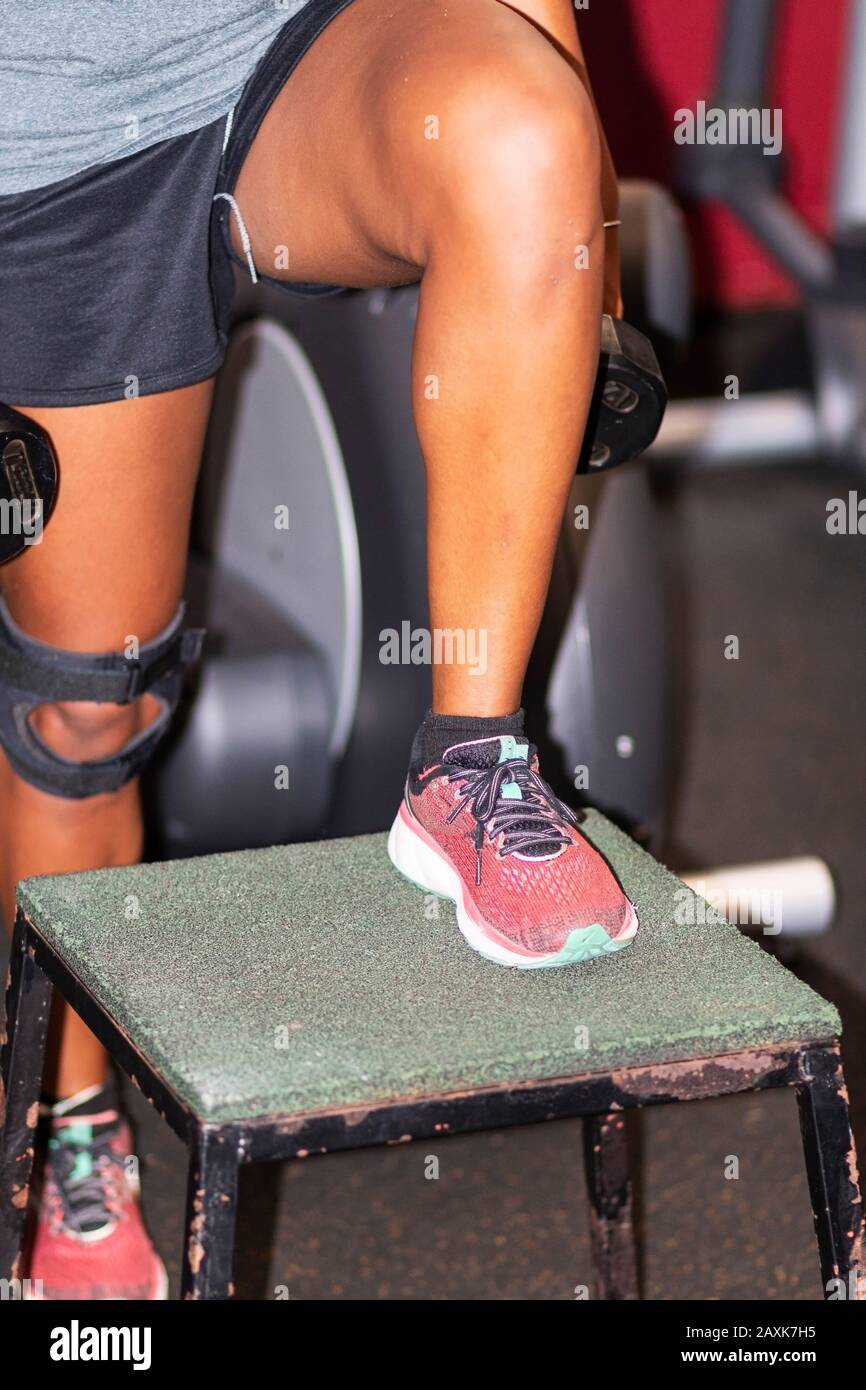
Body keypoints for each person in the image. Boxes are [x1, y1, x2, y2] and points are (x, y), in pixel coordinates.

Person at [0, 0, 637, 1300]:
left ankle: (469, 765)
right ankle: (72, 1123)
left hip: (299, 39)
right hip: (42, 142)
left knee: (518, 135)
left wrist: (585, 219)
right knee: (85, 712)